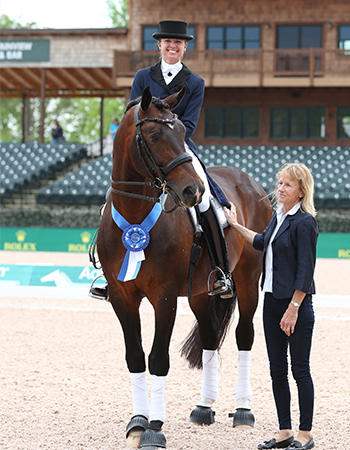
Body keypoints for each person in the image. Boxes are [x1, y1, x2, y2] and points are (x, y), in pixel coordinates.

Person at [90, 20, 234, 301]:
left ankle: (220, 272)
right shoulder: (143, 76)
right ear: (159, 45)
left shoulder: (195, 83)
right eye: (168, 42)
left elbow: (189, 125)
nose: (172, 46)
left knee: (206, 203)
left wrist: (165, 134)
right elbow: (132, 113)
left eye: (178, 43)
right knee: (112, 200)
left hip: (178, 148)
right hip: (144, 149)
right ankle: (110, 276)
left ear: (184, 47)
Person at [224, 163, 318, 450]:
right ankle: (285, 430)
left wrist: (294, 307)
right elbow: (262, 241)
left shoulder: (305, 223)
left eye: (287, 185)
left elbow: (306, 270)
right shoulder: (278, 217)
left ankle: (305, 433)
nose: (280, 189)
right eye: (279, 183)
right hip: (271, 302)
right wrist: (236, 224)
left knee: (300, 370)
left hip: (295, 306)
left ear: (301, 191)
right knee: (277, 369)